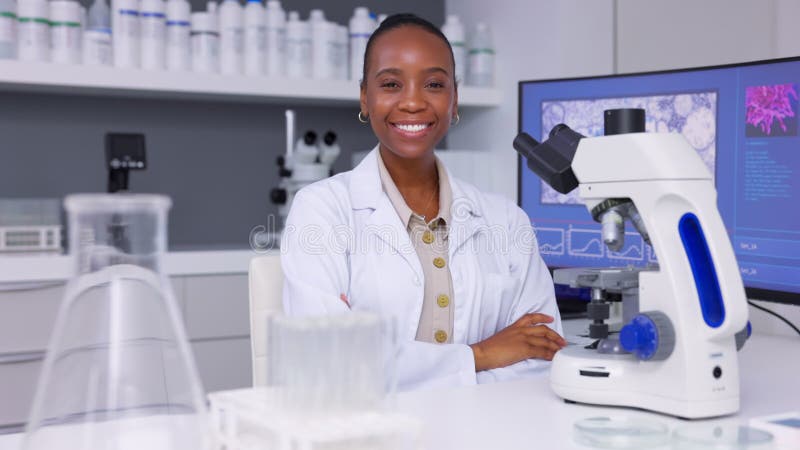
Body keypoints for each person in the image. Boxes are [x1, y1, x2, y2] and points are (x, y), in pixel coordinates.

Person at [280, 13, 565, 390]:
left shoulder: (505, 220)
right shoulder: (322, 210)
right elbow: (331, 363)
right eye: (391, 84)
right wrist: (480, 355)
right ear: (365, 97)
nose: (413, 102)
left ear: (454, 99)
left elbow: (539, 357)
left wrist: (402, 370)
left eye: (433, 83)